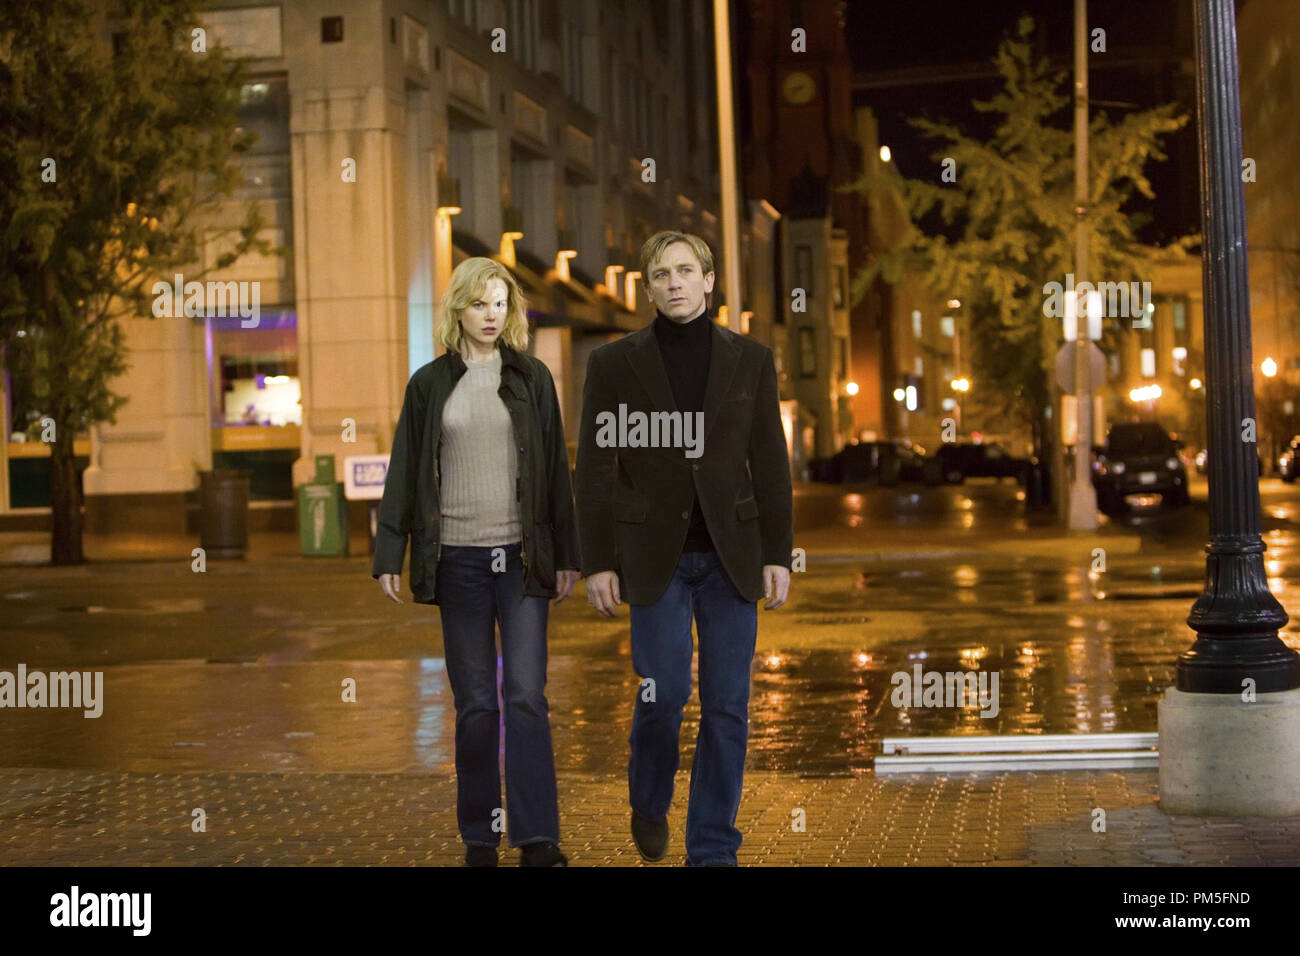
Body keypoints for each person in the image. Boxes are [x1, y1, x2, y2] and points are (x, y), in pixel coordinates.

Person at [575, 230, 793, 866]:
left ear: (709, 279)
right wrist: (597, 561)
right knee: (663, 693)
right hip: (653, 560)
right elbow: (594, 468)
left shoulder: (750, 360)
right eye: (661, 275)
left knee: (728, 707)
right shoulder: (615, 364)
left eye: (685, 271)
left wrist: (777, 552)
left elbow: (770, 462)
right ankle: (648, 799)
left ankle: (712, 847)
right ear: (648, 289)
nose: (673, 283)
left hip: (732, 557)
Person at [373, 256, 579, 867]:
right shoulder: (429, 383)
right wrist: (391, 550)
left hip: (520, 560)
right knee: (476, 706)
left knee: (524, 696)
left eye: (500, 304)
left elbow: (554, 476)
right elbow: (405, 470)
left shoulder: (534, 379)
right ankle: (480, 838)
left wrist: (566, 554)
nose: (491, 315)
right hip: (457, 561)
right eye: (478, 304)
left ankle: (538, 838)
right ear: (457, 310)